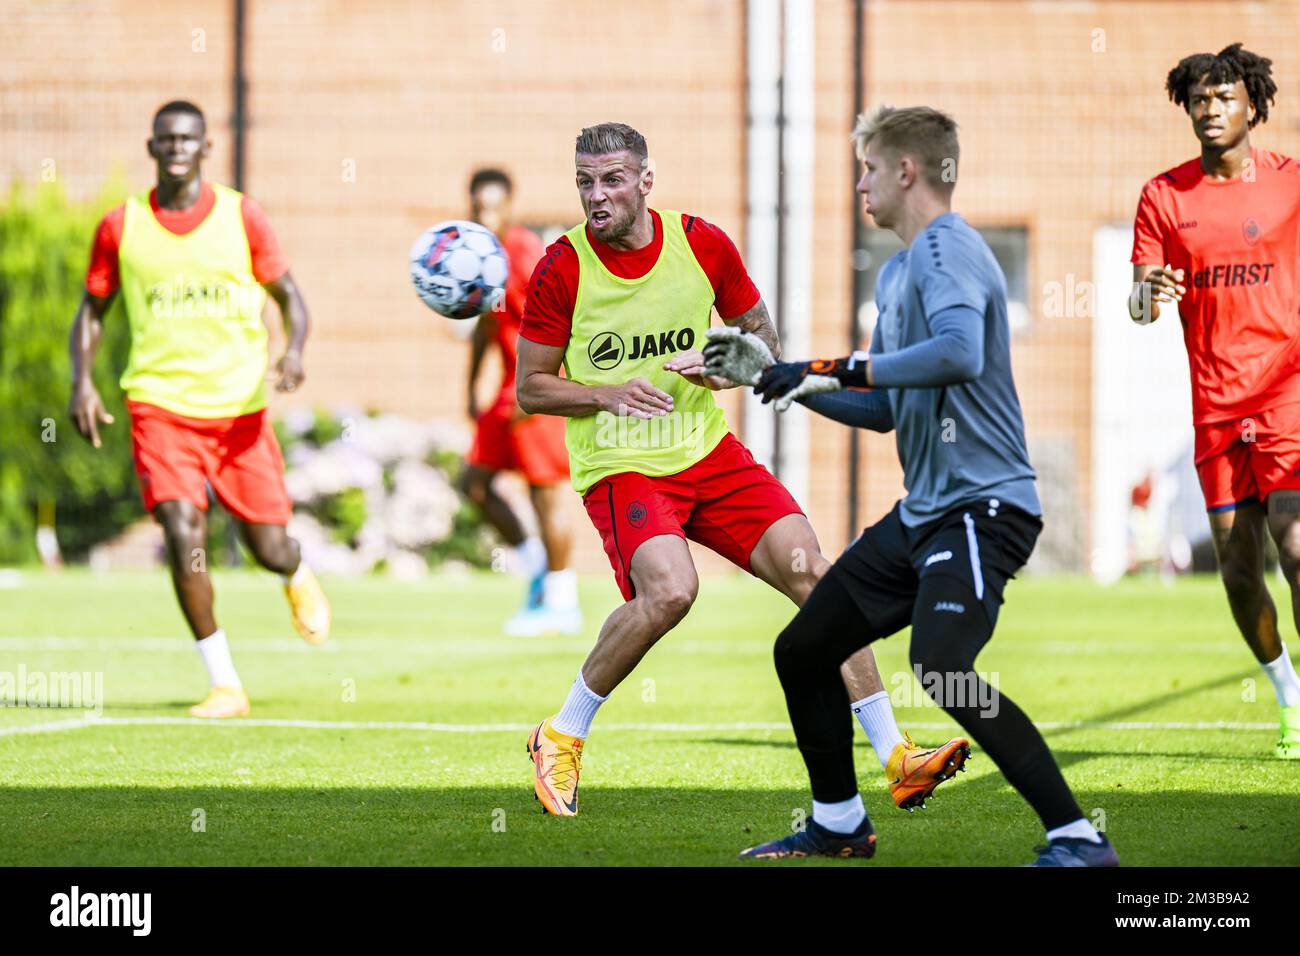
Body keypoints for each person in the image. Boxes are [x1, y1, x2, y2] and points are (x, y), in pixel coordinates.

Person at [516, 122, 967, 818]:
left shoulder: (701, 244)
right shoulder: (561, 267)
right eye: (584, 182)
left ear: (644, 180)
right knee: (670, 591)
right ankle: (562, 734)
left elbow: (765, 340)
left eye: (610, 180)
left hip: (708, 452)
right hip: (622, 464)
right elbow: (531, 388)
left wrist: (729, 361)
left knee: (816, 572)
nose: (595, 196)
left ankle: (897, 757)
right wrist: (607, 393)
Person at [708, 106, 1118, 866]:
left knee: (942, 667)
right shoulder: (898, 272)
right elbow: (885, 408)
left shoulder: (948, 251)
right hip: (925, 514)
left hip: (983, 507)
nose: (859, 182)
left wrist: (825, 366)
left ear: (906, 171)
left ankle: (1077, 837)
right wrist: (777, 378)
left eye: (867, 167)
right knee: (805, 649)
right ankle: (837, 825)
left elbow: (959, 353)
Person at [68, 100, 330, 720]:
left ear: (205, 148)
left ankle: (294, 573)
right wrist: (82, 382)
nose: (177, 148)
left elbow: (291, 297)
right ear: (152, 147)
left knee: (267, 546)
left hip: (239, 412)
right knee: (183, 531)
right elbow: (91, 310)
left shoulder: (242, 216)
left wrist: (293, 352)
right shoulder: (120, 226)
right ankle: (224, 683)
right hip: (159, 409)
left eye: (188, 139)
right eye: (166, 139)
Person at [1130, 43, 1300, 759]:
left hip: (1289, 399)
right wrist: (1150, 293)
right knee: (1238, 571)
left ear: (1252, 106)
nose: (1210, 110)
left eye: (1224, 97)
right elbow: (1138, 304)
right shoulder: (1163, 197)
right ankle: (1289, 695)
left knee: (1298, 548)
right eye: (1199, 99)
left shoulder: (1293, 185)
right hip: (1217, 411)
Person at [459, 168, 580, 636]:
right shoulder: (480, 257)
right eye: (478, 207)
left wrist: (543, 391)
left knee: (546, 491)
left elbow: (568, 319)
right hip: (508, 386)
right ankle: (537, 570)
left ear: (510, 207)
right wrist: (471, 388)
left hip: (539, 386)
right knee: (474, 483)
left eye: (493, 207)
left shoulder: (525, 253)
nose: (485, 215)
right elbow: (486, 326)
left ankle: (562, 603)